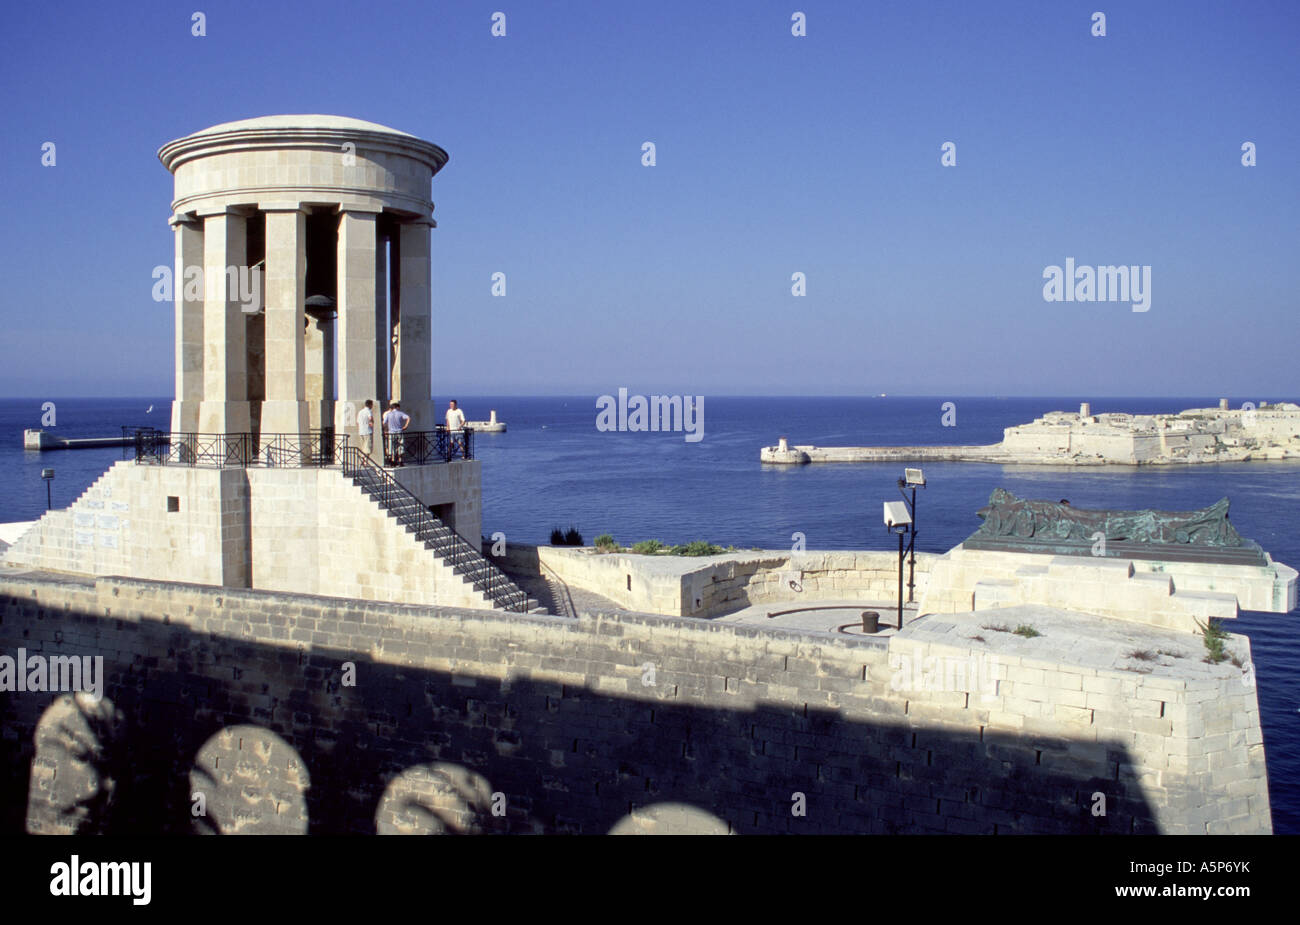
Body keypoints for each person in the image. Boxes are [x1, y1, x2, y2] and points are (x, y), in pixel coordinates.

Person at [383, 400, 411, 466]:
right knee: (400, 445)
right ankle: (400, 460)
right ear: (397, 407)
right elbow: (408, 418)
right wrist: (405, 426)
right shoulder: (400, 413)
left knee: (391, 446)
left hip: (391, 432)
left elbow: (384, 423)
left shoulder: (388, 414)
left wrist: (386, 430)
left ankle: (392, 460)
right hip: (399, 431)